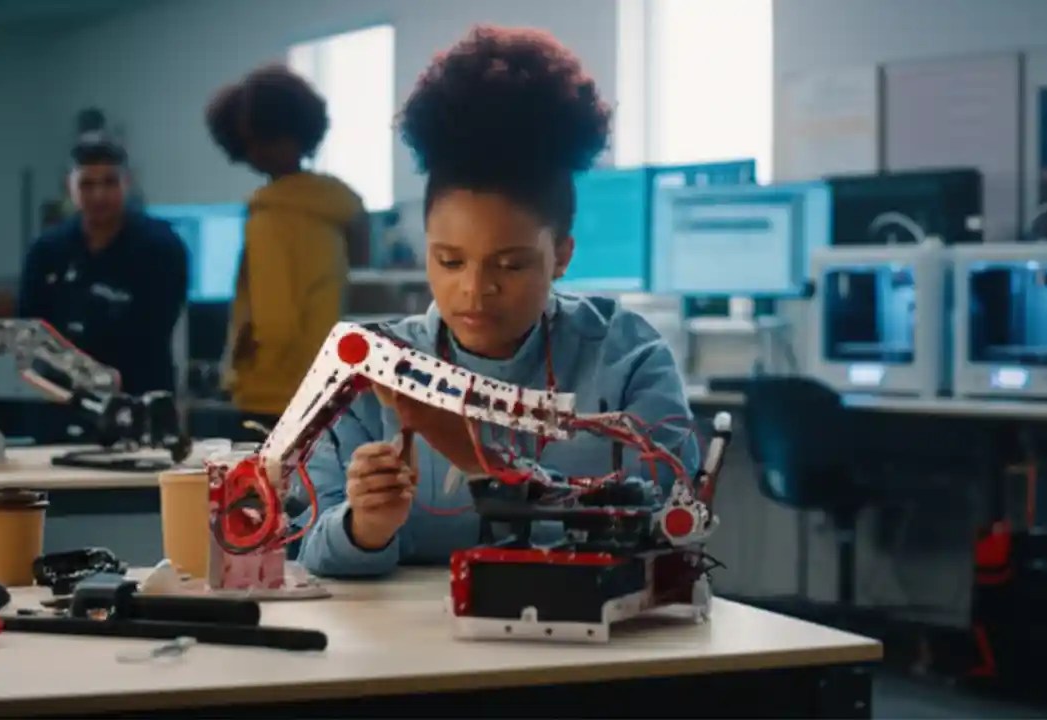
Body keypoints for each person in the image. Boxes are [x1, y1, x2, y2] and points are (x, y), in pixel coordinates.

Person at [299, 26, 700, 577]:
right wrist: (365, 528)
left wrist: (482, 462)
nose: (475, 289)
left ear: (561, 255)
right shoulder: (371, 368)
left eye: (510, 265)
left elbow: (670, 529)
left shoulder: (627, 356)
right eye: (450, 261)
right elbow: (308, 546)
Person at [205, 64, 368, 430]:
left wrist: (239, 374)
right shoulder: (333, 208)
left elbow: (274, 322)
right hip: (329, 384)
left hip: (272, 395)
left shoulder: (269, 218)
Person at [18, 136, 188, 396]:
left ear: (126, 183)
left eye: (109, 182)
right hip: (64, 398)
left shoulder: (161, 247)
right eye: (87, 184)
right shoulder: (47, 250)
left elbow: (153, 329)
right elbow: (30, 328)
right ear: (70, 187)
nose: (99, 195)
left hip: (138, 395)